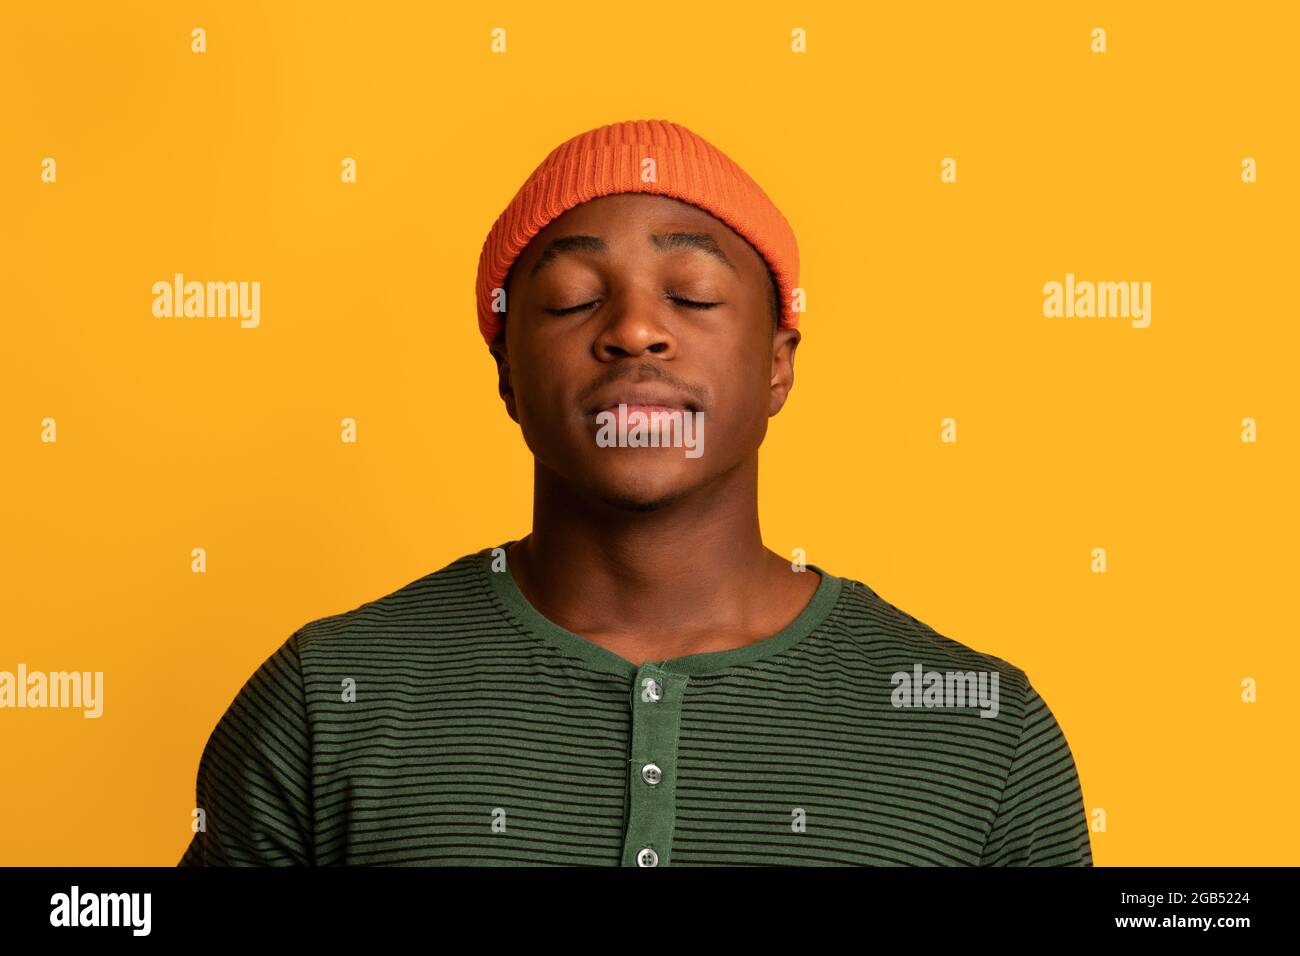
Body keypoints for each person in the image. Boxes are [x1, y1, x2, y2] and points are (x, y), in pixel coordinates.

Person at [179, 119, 1092, 866]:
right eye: (575, 299)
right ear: (506, 372)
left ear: (778, 364)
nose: (635, 330)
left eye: (691, 295)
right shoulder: (329, 696)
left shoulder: (981, 727)